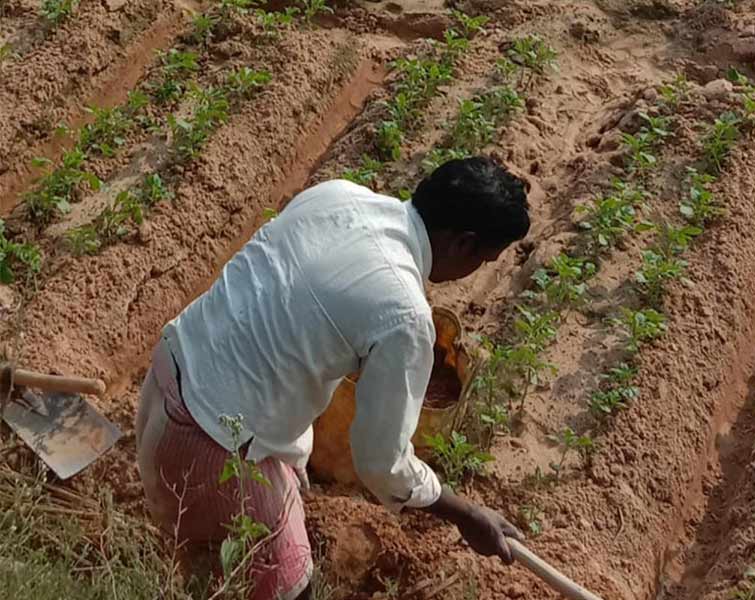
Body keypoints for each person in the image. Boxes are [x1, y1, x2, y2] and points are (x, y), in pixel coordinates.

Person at [135, 157, 530, 599]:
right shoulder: (404, 315)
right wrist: (465, 514)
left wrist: (294, 452)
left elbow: (283, 316)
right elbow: (382, 463)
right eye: (485, 260)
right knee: (290, 589)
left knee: (211, 564)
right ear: (464, 244)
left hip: (168, 376)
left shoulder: (338, 195)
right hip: (207, 440)